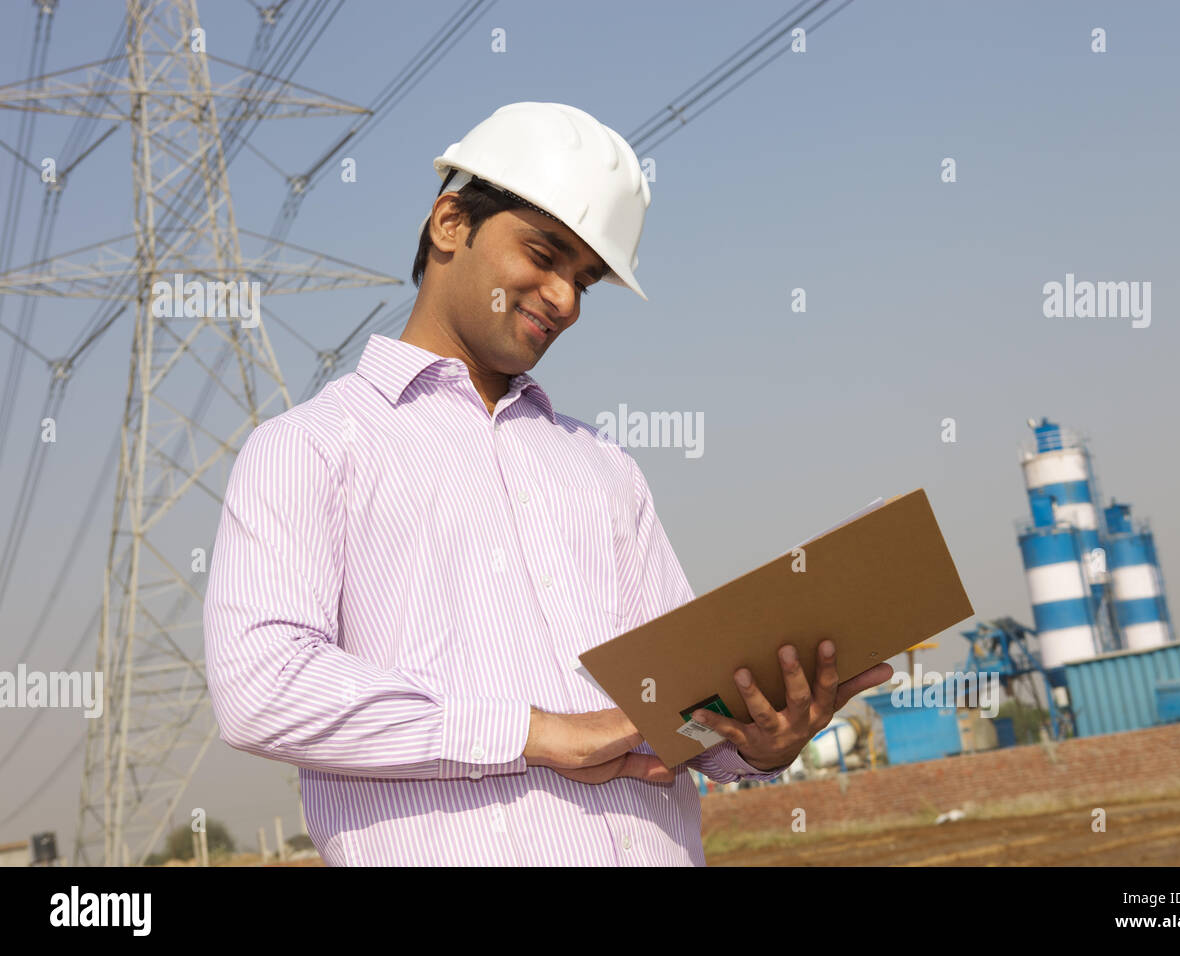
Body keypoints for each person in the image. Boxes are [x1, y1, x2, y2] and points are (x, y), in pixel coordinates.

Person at [203, 102, 893, 866]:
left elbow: (679, 714)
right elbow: (260, 685)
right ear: (450, 223)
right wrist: (534, 733)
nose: (564, 299)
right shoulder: (309, 451)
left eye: (586, 281)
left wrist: (757, 742)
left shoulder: (603, 467)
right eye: (544, 254)